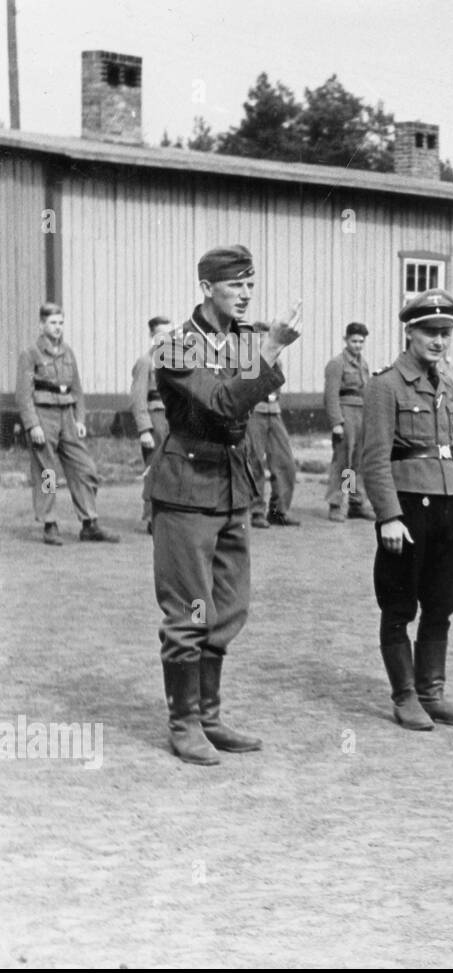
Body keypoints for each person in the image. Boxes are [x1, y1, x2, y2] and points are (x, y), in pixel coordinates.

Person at [150, 244, 301, 765]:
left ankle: (210, 716)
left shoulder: (243, 341)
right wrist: (272, 348)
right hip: (187, 488)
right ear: (206, 287)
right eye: (235, 284)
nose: (245, 294)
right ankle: (184, 723)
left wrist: (264, 352)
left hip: (234, 487)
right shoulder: (175, 347)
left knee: (229, 610)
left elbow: (254, 396)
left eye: (250, 284)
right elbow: (219, 401)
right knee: (188, 612)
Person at [362, 289, 453, 730]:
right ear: (410, 332)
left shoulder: (447, 384)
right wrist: (388, 516)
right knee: (398, 607)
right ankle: (406, 696)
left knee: (441, 606)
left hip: (448, 507)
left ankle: (432, 692)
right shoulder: (384, 385)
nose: (439, 340)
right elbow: (374, 458)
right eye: (430, 331)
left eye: (445, 332)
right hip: (407, 510)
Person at [15, 302, 119, 546]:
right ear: (42, 325)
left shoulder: (68, 352)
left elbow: (78, 389)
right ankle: (50, 524)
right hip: (44, 417)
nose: (58, 327)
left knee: (86, 468)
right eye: (53, 323)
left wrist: (80, 419)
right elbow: (23, 394)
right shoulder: (30, 354)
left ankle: (89, 523)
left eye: (61, 323)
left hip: (67, 419)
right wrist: (33, 425)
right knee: (48, 473)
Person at [324, 322, 375, 522]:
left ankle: (355, 501)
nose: (358, 345)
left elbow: (366, 391)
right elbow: (330, 395)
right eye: (354, 341)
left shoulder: (363, 363)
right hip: (345, 413)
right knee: (343, 461)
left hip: (361, 414)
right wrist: (336, 422)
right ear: (345, 340)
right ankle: (336, 503)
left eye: (361, 341)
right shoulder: (337, 363)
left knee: (357, 461)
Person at [130, 315, 173, 530]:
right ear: (151, 336)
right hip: (155, 419)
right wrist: (144, 430)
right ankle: (151, 517)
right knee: (154, 468)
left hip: (172, 420)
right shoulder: (145, 362)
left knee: (173, 469)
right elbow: (138, 398)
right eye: (160, 335)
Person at [247, 384, 299, 527]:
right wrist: (336, 419)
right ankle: (256, 512)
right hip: (254, 411)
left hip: (273, 410)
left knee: (286, 464)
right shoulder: (338, 364)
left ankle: (278, 511)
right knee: (254, 462)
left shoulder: (276, 363)